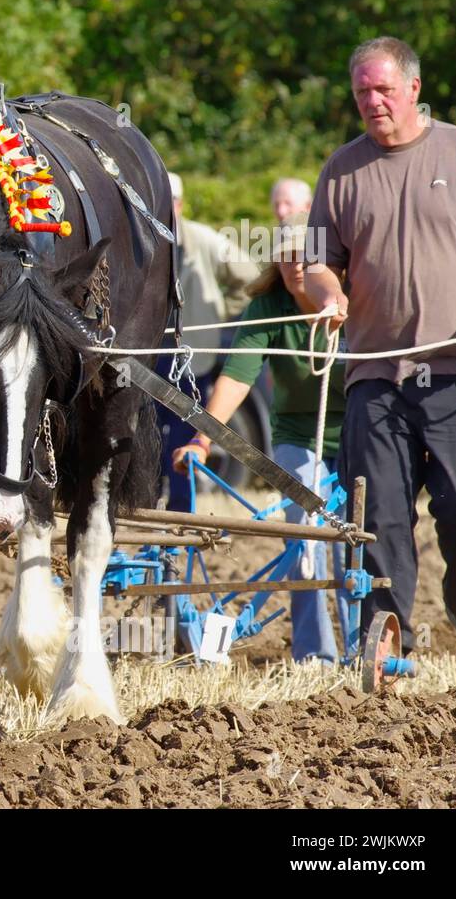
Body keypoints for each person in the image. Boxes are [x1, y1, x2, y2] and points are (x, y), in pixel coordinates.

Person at [302, 36, 456, 658]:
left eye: (383, 89)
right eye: (361, 92)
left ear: (414, 89)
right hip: (376, 373)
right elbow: (320, 264)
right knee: (380, 521)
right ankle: (384, 642)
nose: (372, 102)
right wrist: (328, 295)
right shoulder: (341, 169)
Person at [172, 214, 350, 663]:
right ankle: (316, 657)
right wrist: (202, 439)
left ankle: (361, 646)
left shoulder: (358, 302)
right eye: (286, 256)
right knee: (305, 538)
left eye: (306, 257)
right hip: (296, 436)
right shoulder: (269, 306)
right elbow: (237, 377)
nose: (294, 266)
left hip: (359, 436)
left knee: (354, 546)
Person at [158, 173, 257, 511]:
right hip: (146, 356)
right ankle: (146, 510)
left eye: (172, 200)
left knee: (188, 436)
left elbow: (250, 277)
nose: (166, 206)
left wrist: (218, 313)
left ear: (181, 203)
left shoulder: (204, 240)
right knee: (146, 435)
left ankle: (183, 514)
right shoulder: (141, 237)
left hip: (190, 359)